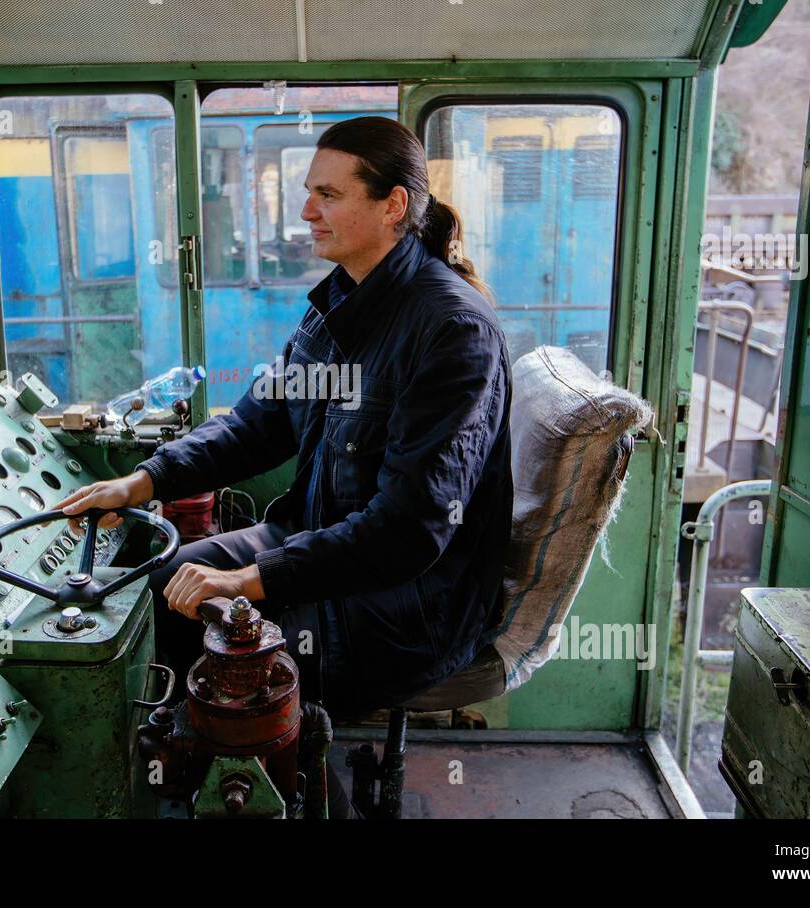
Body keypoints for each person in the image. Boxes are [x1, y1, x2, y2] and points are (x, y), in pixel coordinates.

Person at [58, 117, 513, 806]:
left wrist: (251, 580)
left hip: (409, 603)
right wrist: (139, 480)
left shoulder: (451, 332)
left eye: (327, 194)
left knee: (225, 653)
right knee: (151, 589)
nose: (305, 211)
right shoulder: (337, 308)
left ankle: (264, 787)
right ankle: (177, 774)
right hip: (315, 544)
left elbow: (411, 529)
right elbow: (257, 426)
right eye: (308, 192)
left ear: (392, 207)